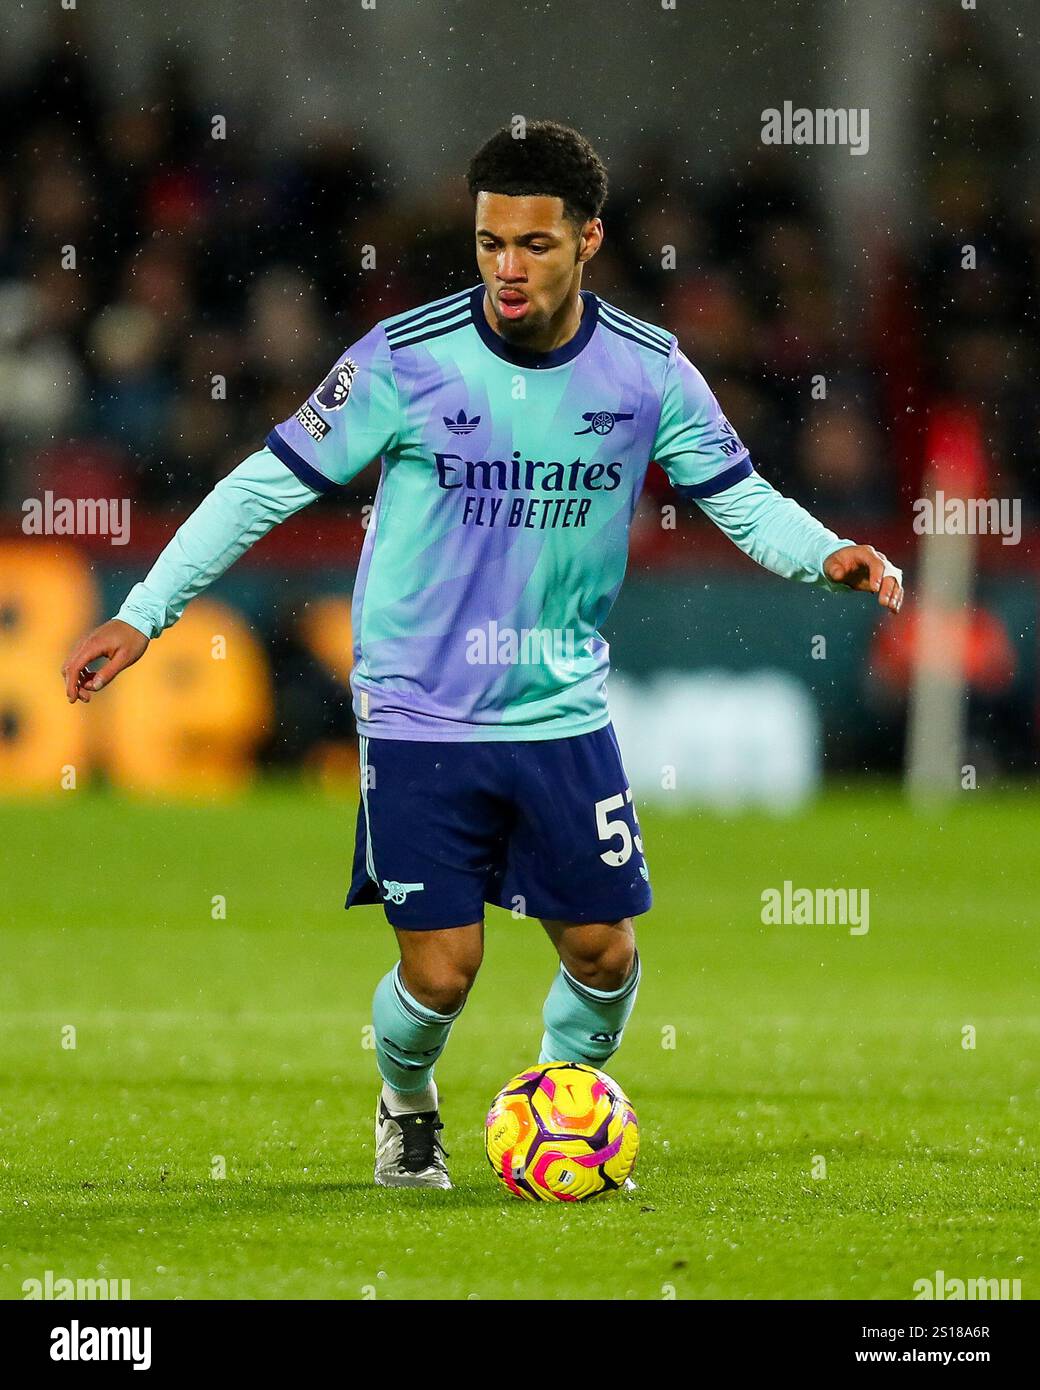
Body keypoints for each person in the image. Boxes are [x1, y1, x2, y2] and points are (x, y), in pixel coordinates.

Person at [61, 121, 904, 1190]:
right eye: (488, 243)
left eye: (534, 246)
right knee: (443, 971)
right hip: (419, 711)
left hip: (559, 710)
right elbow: (262, 485)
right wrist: (146, 610)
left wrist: (822, 552)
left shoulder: (645, 373)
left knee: (604, 956)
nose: (507, 268)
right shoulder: (404, 361)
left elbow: (735, 496)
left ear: (588, 240)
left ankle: (554, 1104)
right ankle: (406, 1099)